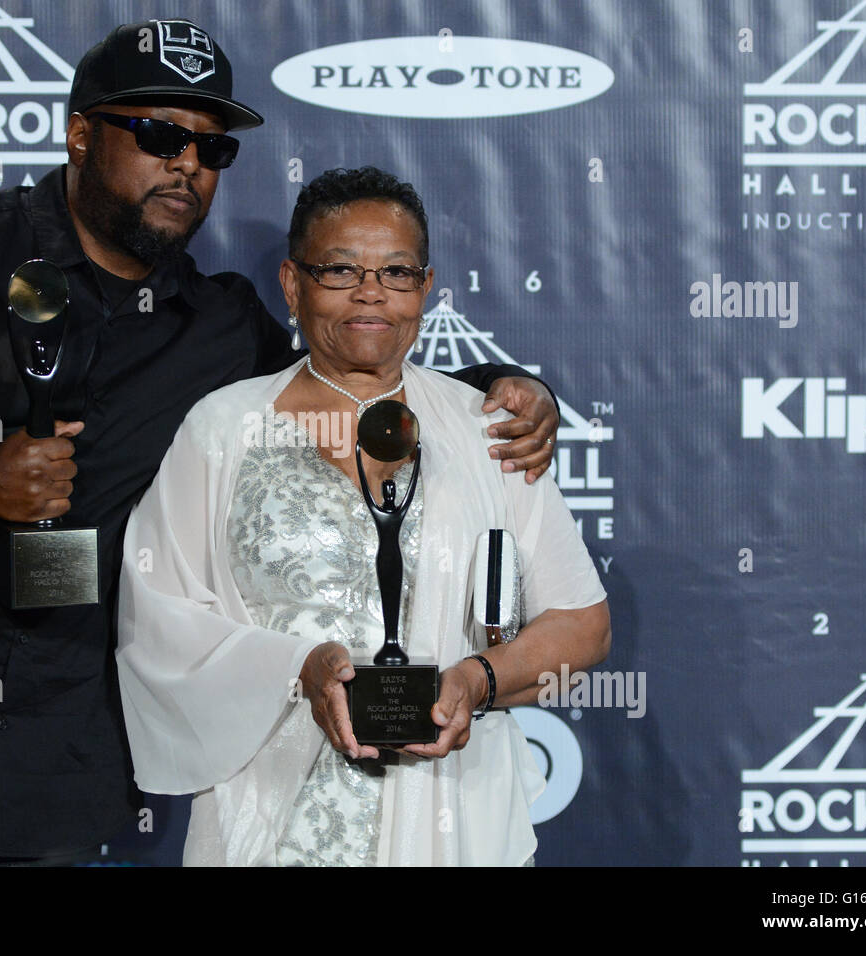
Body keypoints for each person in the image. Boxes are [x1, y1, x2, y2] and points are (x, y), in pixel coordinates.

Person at [0, 20, 561, 866]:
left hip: (48, 783)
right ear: (81, 133)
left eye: (211, 149)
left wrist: (500, 388)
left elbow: (342, 378)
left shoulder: (222, 330)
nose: (187, 165)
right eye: (159, 135)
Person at [117, 167, 610, 866]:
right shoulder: (222, 428)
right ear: (293, 283)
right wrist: (296, 667)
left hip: (453, 815)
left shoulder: (486, 430)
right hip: (268, 815)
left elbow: (582, 625)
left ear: (427, 288)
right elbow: (156, 615)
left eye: (397, 272)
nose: (371, 291)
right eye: (341, 269)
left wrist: (476, 681)